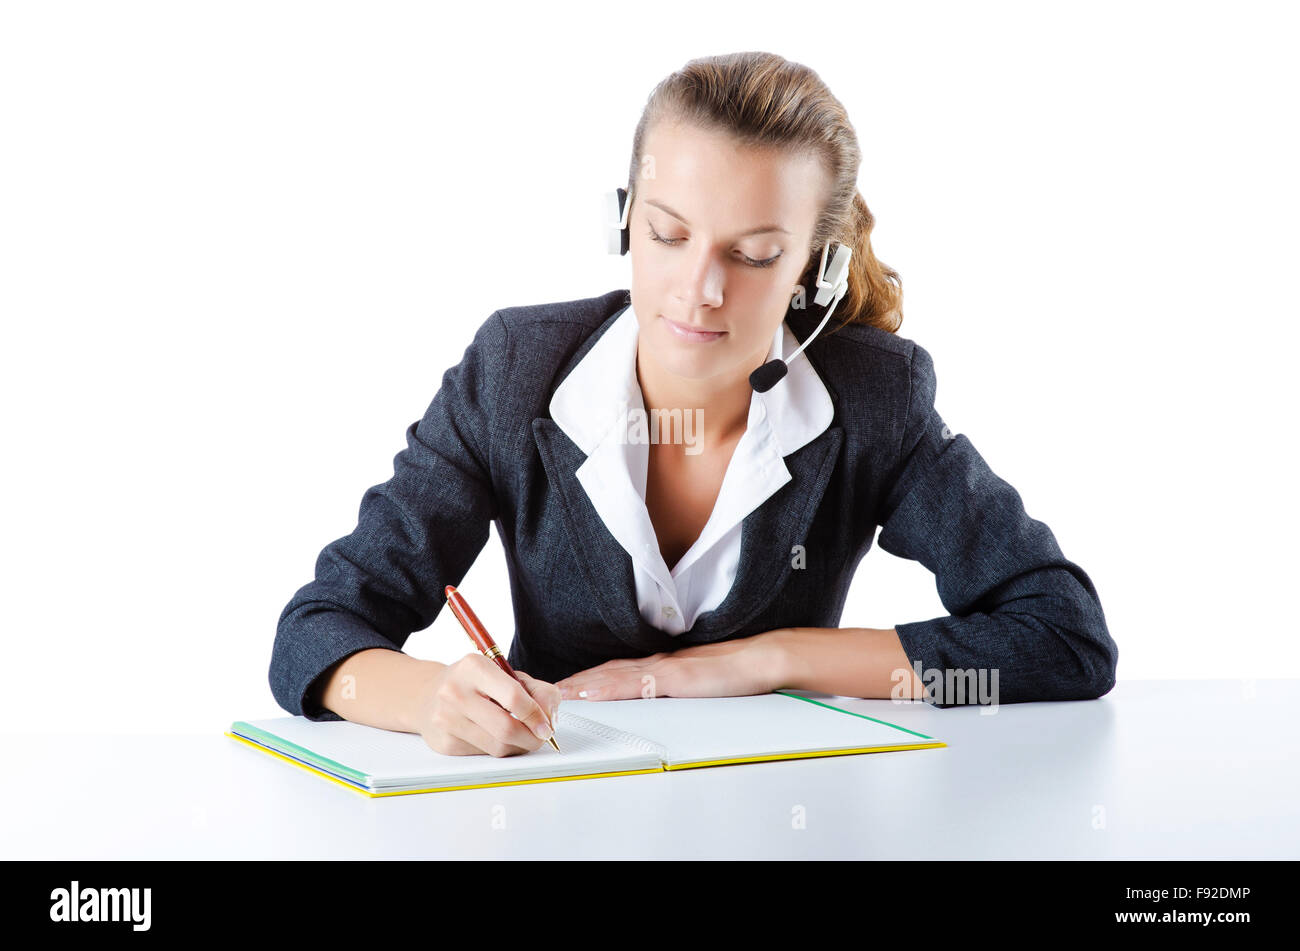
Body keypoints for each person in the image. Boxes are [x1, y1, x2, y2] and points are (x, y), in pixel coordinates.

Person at [268, 51, 1118, 757]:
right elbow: (314, 633)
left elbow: (1065, 638)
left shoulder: (873, 401)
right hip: (556, 820)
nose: (698, 290)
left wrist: (768, 660)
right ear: (624, 221)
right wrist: (428, 698)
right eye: (669, 235)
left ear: (813, 274)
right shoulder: (514, 372)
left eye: (753, 255)